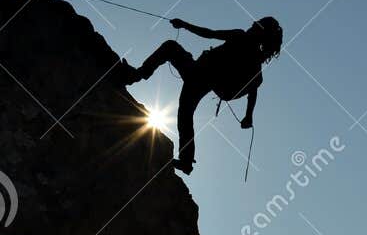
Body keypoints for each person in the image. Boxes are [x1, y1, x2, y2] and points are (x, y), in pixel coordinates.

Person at [119, 16, 283, 175]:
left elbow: (209, 33)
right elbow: (253, 90)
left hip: (198, 74)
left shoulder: (240, 37)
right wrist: (248, 116)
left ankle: (134, 76)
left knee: (170, 48)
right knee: (185, 115)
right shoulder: (255, 62)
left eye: (257, 24)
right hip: (203, 80)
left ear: (260, 30)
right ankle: (186, 161)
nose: (253, 23)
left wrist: (184, 24)